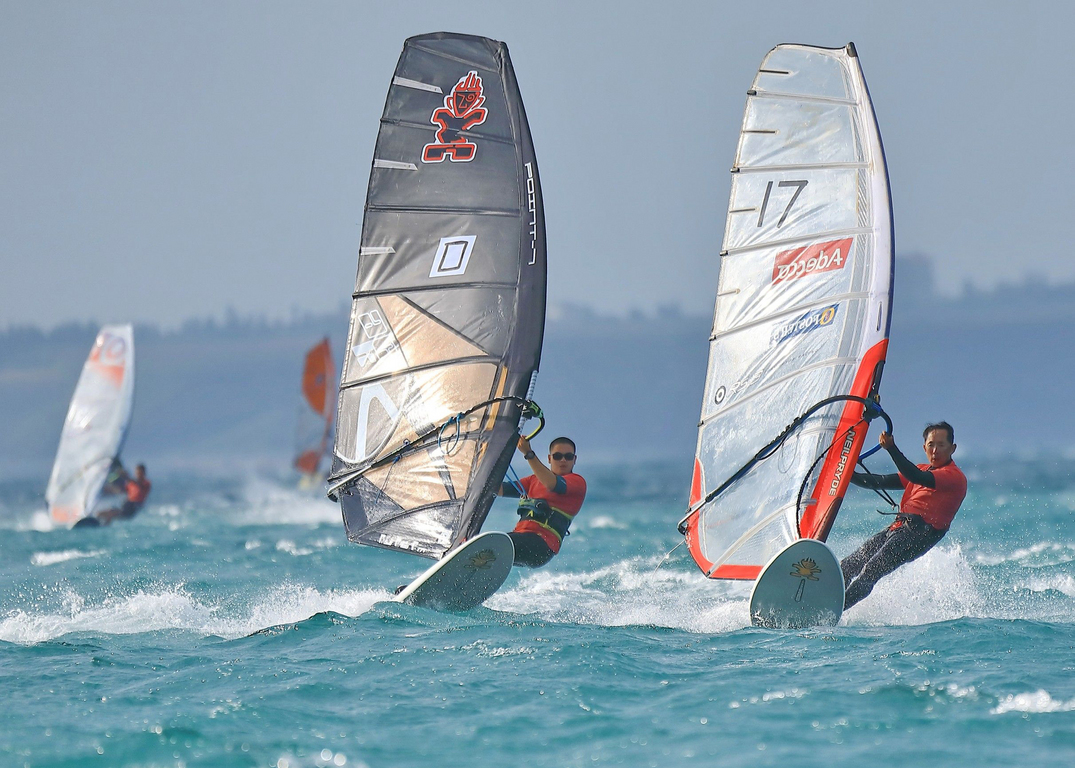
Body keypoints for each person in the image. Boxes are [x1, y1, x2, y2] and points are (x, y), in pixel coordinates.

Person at [841, 422, 967, 610]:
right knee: (849, 564)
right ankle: (818, 597)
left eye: (941, 445)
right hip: (898, 528)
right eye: (931, 445)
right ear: (924, 447)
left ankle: (833, 611)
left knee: (870, 571)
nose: (935, 450)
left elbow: (916, 477)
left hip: (918, 535)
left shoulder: (954, 476)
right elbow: (877, 481)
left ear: (952, 448)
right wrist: (843, 469)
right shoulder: (922, 469)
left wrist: (891, 448)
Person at [498, 436, 587, 568]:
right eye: (557, 456)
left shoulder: (577, 482)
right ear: (550, 458)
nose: (563, 460)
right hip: (521, 538)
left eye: (568, 456)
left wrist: (529, 453)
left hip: (542, 545)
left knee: (495, 545)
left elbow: (551, 484)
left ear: (574, 460)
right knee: (488, 550)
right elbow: (499, 489)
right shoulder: (533, 480)